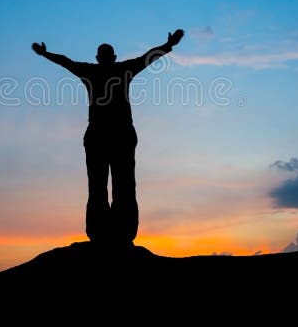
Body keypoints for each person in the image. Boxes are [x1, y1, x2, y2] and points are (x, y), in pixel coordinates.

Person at [31, 29, 185, 246]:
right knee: (114, 186)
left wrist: (46, 54)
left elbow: (66, 62)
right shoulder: (120, 69)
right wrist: (168, 45)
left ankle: (109, 232)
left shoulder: (94, 71)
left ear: (100, 58)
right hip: (110, 136)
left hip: (107, 136)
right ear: (112, 58)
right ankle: (111, 232)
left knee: (106, 186)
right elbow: (147, 58)